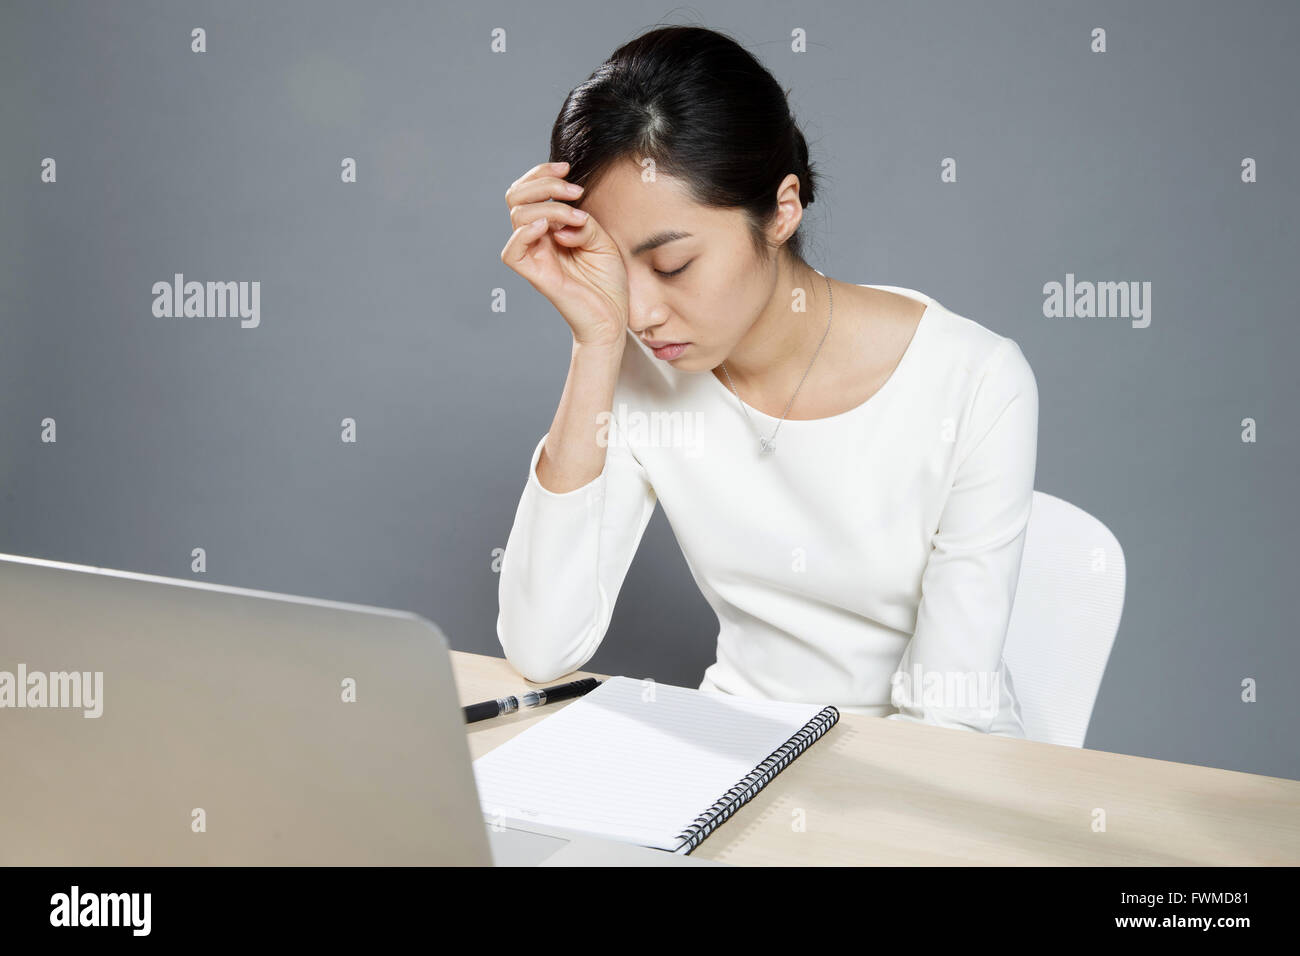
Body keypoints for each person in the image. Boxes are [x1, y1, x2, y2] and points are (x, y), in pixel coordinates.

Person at [496, 25, 1037, 735]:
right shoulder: (642, 371)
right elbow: (542, 647)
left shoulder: (974, 380)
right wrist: (594, 344)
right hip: (736, 758)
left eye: (671, 266)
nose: (643, 313)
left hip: (930, 779)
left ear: (782, 209)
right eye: (616, 273)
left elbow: (946, 721)